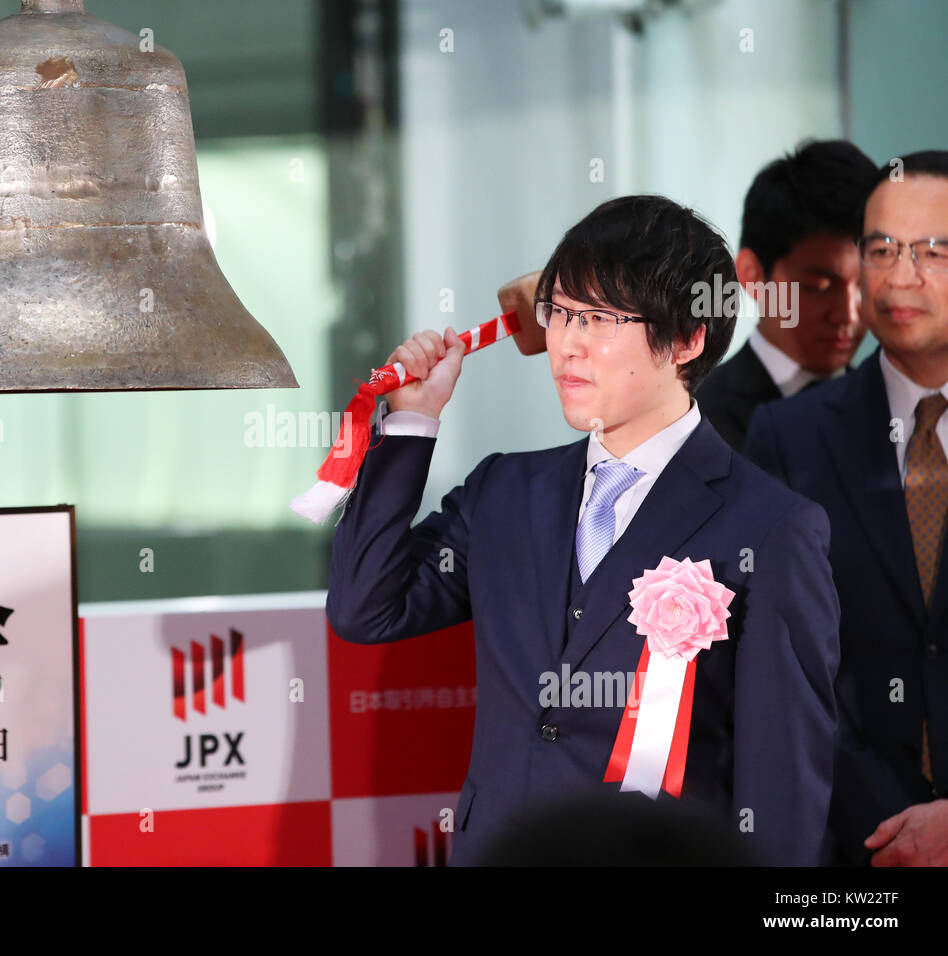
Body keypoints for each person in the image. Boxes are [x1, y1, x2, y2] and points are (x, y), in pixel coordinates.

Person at [326, 194, 840, 866]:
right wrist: (414, 423)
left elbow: (782, 793)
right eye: (560, 312)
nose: (567, 343)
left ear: (687, 339)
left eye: (599, 318)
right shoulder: (504, 492)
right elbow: (366, 609)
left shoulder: (773, 528)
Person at [744, 151, 948, 866]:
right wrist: (892, 821)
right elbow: (781, 665)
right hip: (848, 846)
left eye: (935, 251)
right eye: (882, 249)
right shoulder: (790, 436)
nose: (902, 275)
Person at [696, 140, 875, 449]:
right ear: (752, 275)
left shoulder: (890, 408)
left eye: (863, 286)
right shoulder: (697, 422)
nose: (848, 314)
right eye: (818, 287)